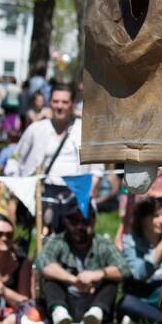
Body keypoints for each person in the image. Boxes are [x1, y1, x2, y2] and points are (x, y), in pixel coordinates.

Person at [13, 82, 111, 238]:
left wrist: (91, 188)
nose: (60, 106)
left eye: (64, 102)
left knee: (75, 238)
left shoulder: (84, 129)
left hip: (76, 193)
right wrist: (18, 184)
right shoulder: (37, 129)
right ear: (49, 102)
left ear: (72, 104)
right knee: (44, 238)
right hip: (44, 192)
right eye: (56, 101)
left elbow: (97, 165)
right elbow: (16, 158)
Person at [34, 207, 126, 324]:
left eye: (85, 222)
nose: (79, 227)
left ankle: (95, 315)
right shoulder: (58, 241)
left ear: (93, 222)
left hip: (94, 299)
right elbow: (42, 263)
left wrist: (98, 274)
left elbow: (124, 268)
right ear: (66, 222)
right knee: (51, 281)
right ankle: (59, 313)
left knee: (110, 282)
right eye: (74, 222)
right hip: (66, 299)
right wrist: (74, 280)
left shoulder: (103, 244)